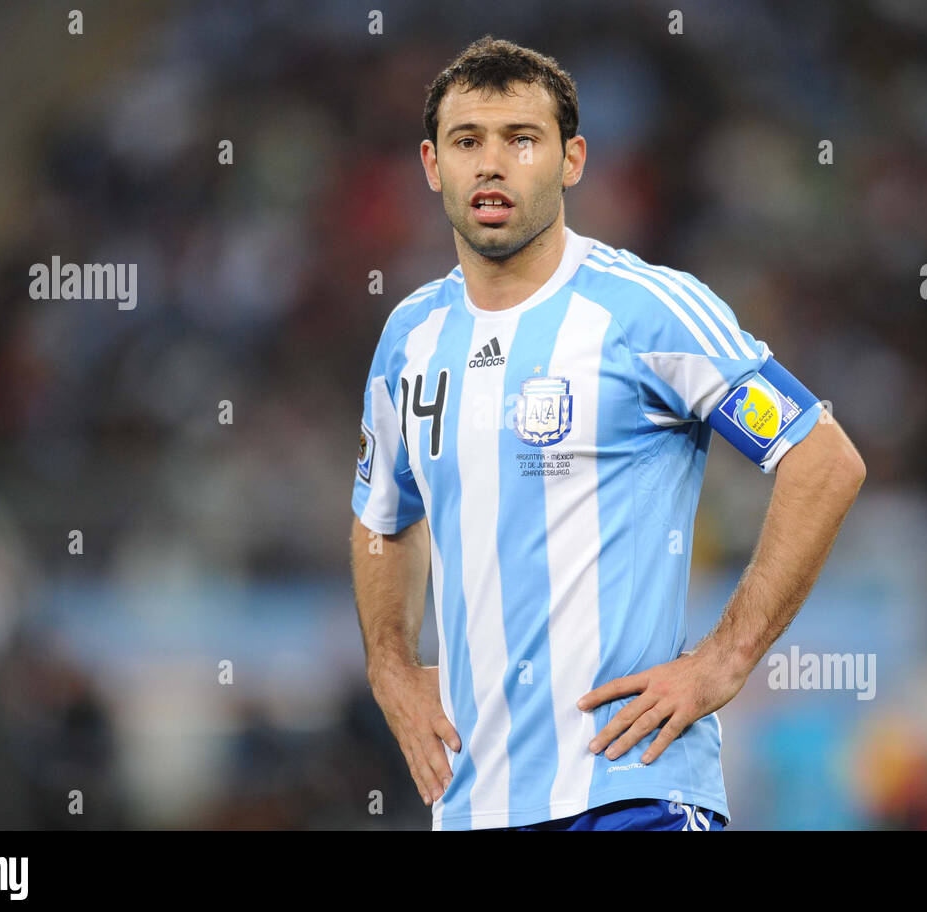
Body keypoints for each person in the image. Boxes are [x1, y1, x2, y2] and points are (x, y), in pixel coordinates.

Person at [349, 35, 865, 831]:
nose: (492, 165)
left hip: (634, 794)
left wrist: (720, 662)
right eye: (467, 142)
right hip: (473, 804)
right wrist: (391, 666)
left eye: (522, 140)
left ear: (572, 160)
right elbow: (385, 514)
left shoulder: (648, 310)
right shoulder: (409, 338)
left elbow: (824, 459)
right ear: (431, 164)